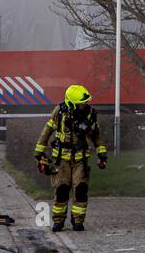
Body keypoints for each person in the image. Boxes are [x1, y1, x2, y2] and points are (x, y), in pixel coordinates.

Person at [34, 84, 107, 231]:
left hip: (81, 160)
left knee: (80, 189)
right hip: (62, 161)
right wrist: (39, 152)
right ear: (72, 103)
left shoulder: (90, 114)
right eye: (82, 103)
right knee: (62, 190)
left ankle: (78, 220)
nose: (85, 105)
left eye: (86, 102)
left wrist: (102, 155)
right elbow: (47, 131)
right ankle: (58, 221)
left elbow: (96, 136)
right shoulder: (60, 112)